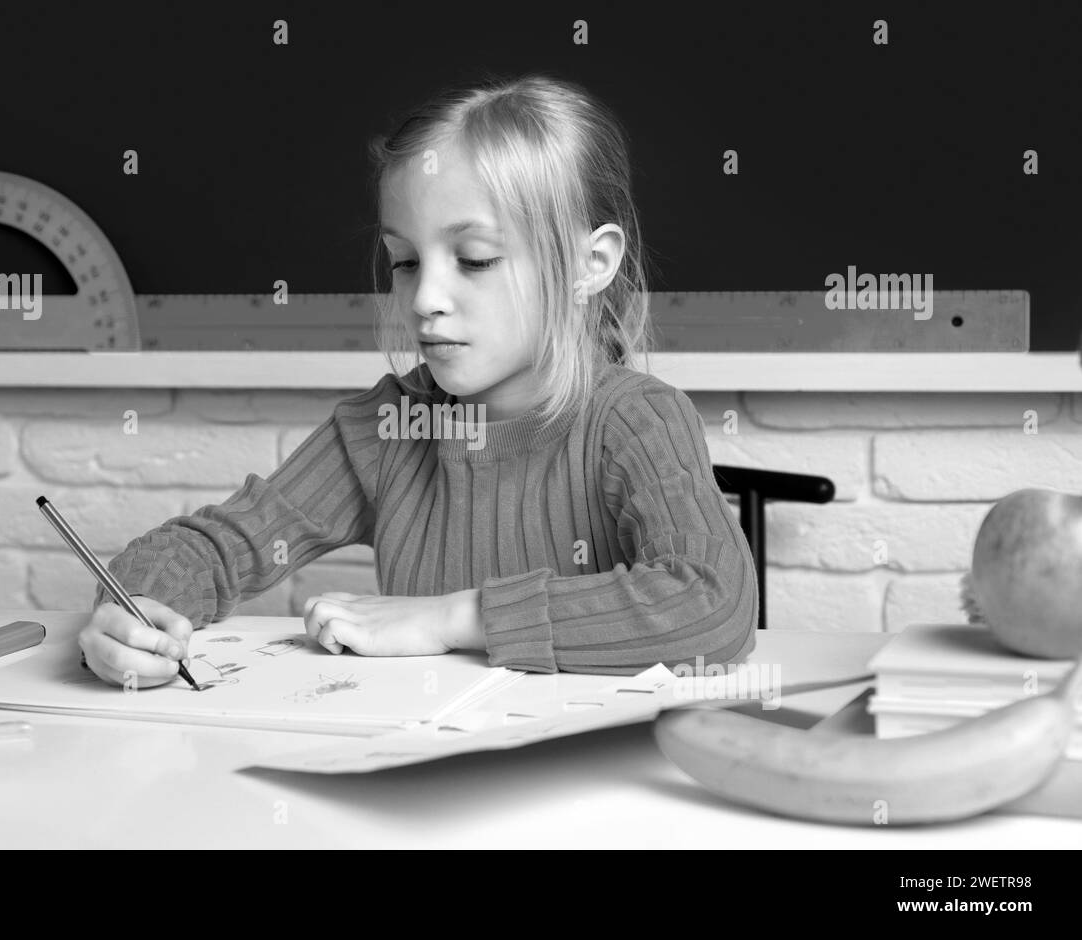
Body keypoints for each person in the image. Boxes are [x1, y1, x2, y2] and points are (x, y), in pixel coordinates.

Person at [79, 73, 759, 688]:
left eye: (475, 259)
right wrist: (131, 613)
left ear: (591, 264)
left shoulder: (636, 419)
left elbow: (710, 607)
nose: (424, 299)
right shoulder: (390, 426)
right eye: (404, 261)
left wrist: (452, 619)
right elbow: (215, 547)